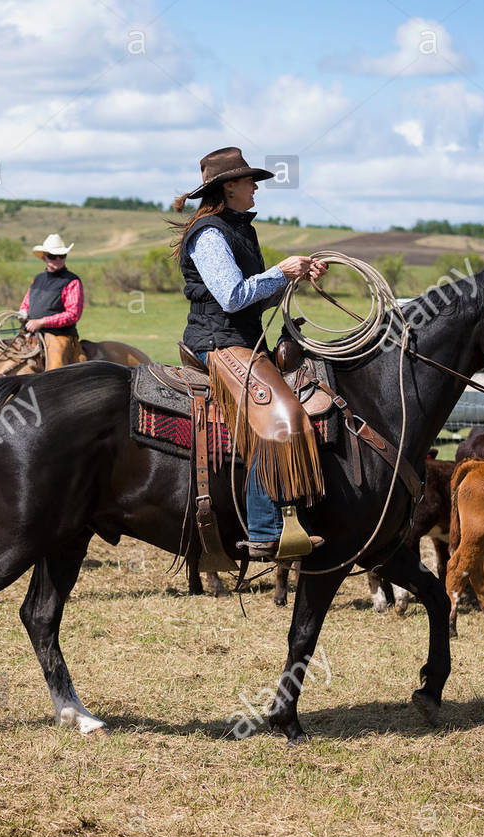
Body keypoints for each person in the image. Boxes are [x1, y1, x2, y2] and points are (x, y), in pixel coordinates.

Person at [172, 146, 328, 559]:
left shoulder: (239, 228)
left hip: (239, 339)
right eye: (247, 180)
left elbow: (251, 297)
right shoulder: (209, 234)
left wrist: (292, 278)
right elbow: (233, 296)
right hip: (217, 342)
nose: (255, 186)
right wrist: (281, 271)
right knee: (282, 413)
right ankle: (264, 528)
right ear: (229, 188)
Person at [19, 234, 84, 370]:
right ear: (44, 257)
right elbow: (26, 303)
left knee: (55, 371)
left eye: (62, 256)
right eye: (53, 256)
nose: (58, 259)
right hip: (31, 332)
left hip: (59, 335)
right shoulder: (38, 279)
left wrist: (41, 322)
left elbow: (72, 314)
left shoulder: (72, 281)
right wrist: (23, 312)